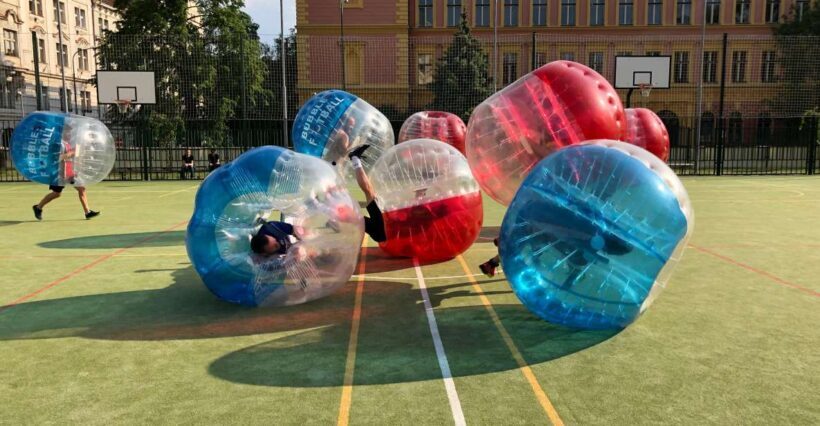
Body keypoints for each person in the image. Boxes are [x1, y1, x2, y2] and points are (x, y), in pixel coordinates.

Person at [32, 141, 100, 221]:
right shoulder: (59, 143)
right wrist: (72, 153)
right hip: (59, 173)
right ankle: (38, 207)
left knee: (81, 189)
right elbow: (58, 158)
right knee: (57, 193)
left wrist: (79, 154)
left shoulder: (71, 142)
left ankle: (87, 212)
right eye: (68, 133)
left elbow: (75, 156)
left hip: (69, 171)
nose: (70, 134)